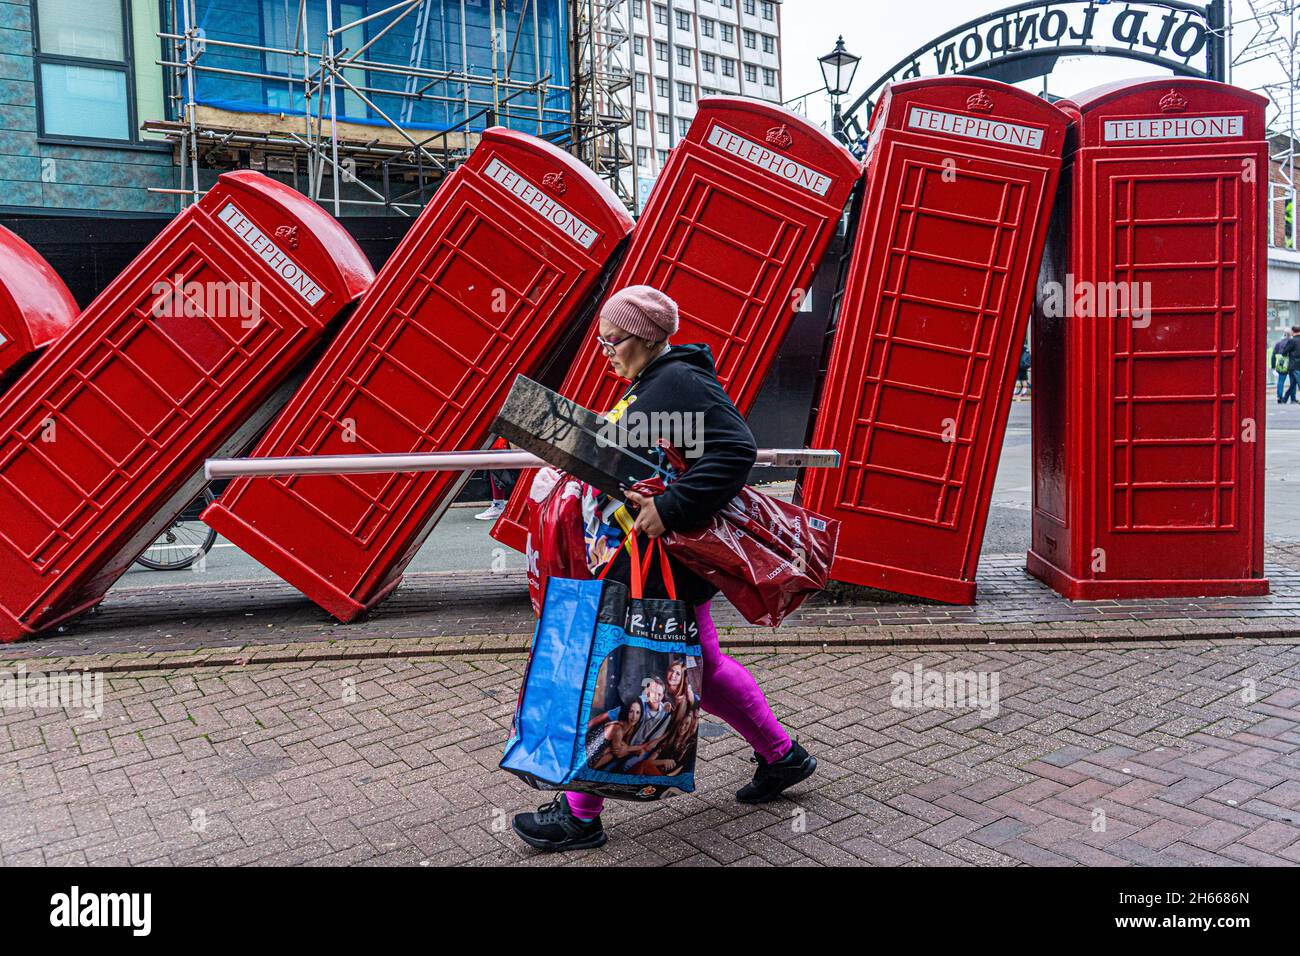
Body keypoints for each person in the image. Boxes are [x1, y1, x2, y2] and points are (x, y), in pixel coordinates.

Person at [511, 285, 816, 853]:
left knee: (612, 672)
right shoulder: (655, 383)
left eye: (614, 340)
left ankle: (580, 816)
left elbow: (734, 451)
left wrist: (668, 508)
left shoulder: (679, 382)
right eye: (601, 340)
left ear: (648, 337)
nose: (605, 351)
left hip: (655, 562)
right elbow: (640, 459)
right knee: (708, 666)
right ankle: (783, 756)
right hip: (655, 560)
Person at [1282, 327, 1300, 404]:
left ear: (1293, 331)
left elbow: (1284, 351)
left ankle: (1286, 398)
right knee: (1293, 383)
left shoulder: (1292, 341)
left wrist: (1286, 354)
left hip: (1294, 365)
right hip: (1297, 365)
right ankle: (1290, 399)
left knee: (1297, 382)